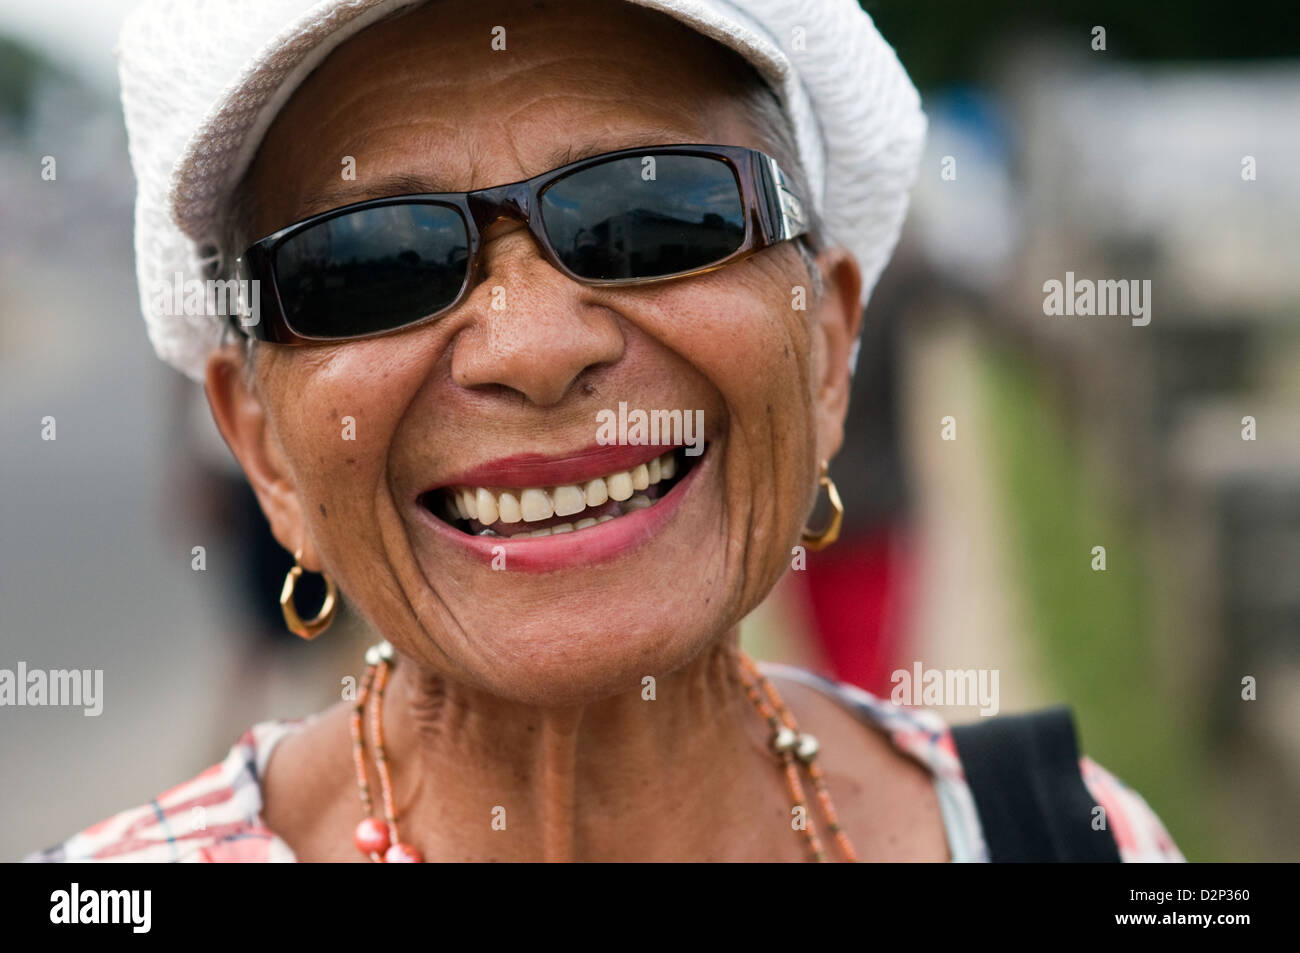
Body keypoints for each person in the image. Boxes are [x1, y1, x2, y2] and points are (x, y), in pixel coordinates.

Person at [27, 0, 1181, 862]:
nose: (533, 346)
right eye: (371, 265)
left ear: (827, 348)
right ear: (264, 448)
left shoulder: (1074, 839)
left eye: (651, 214)